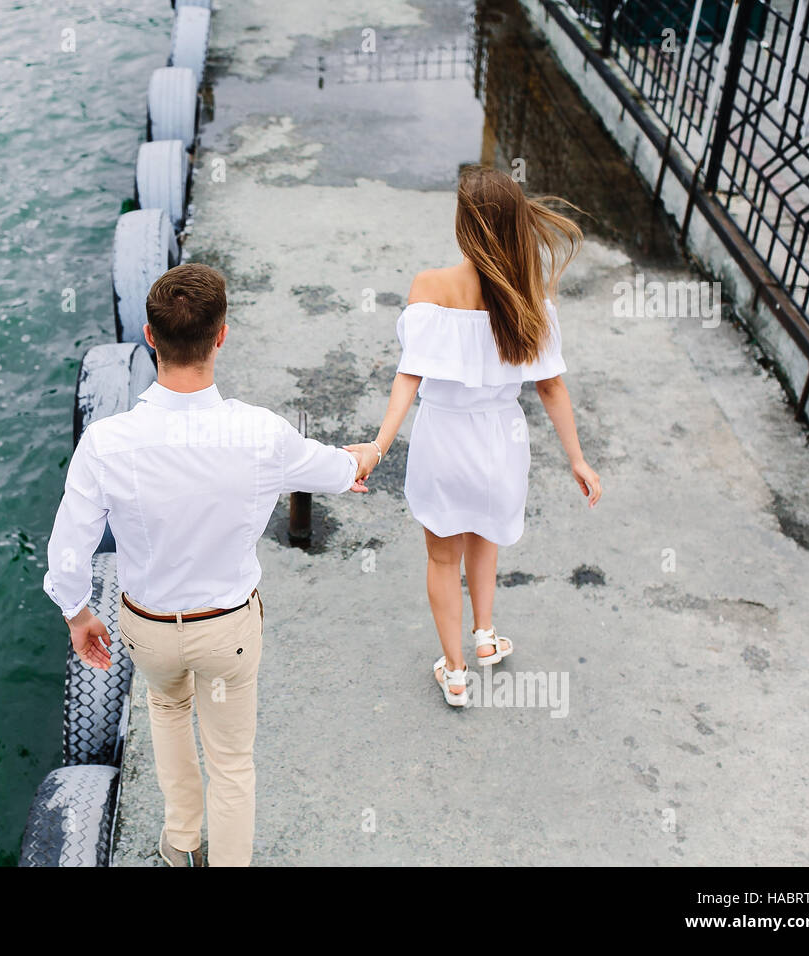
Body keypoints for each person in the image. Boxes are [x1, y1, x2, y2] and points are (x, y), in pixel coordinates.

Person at [42, 263, 370, 866]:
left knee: (167, 710)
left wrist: (77, 614)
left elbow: (68, 548)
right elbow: (337, 471)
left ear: (149, 336)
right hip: (226, 631)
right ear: (222, 335)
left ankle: (180, 842)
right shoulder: (259, 433)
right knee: (232, 762)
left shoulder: (107, 443)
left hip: (149, 628)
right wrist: (364, 457)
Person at [353, 166, 604, 707]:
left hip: (445, 439)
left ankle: (458, 671)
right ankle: (485, 635)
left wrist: (378, 446)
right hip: (502, 441)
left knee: (443, 557)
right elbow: (552, 387)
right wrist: (578, 460)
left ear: (465, 226)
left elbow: (409, 375)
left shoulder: (432, 286)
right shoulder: (529, 295)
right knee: (485, 529)